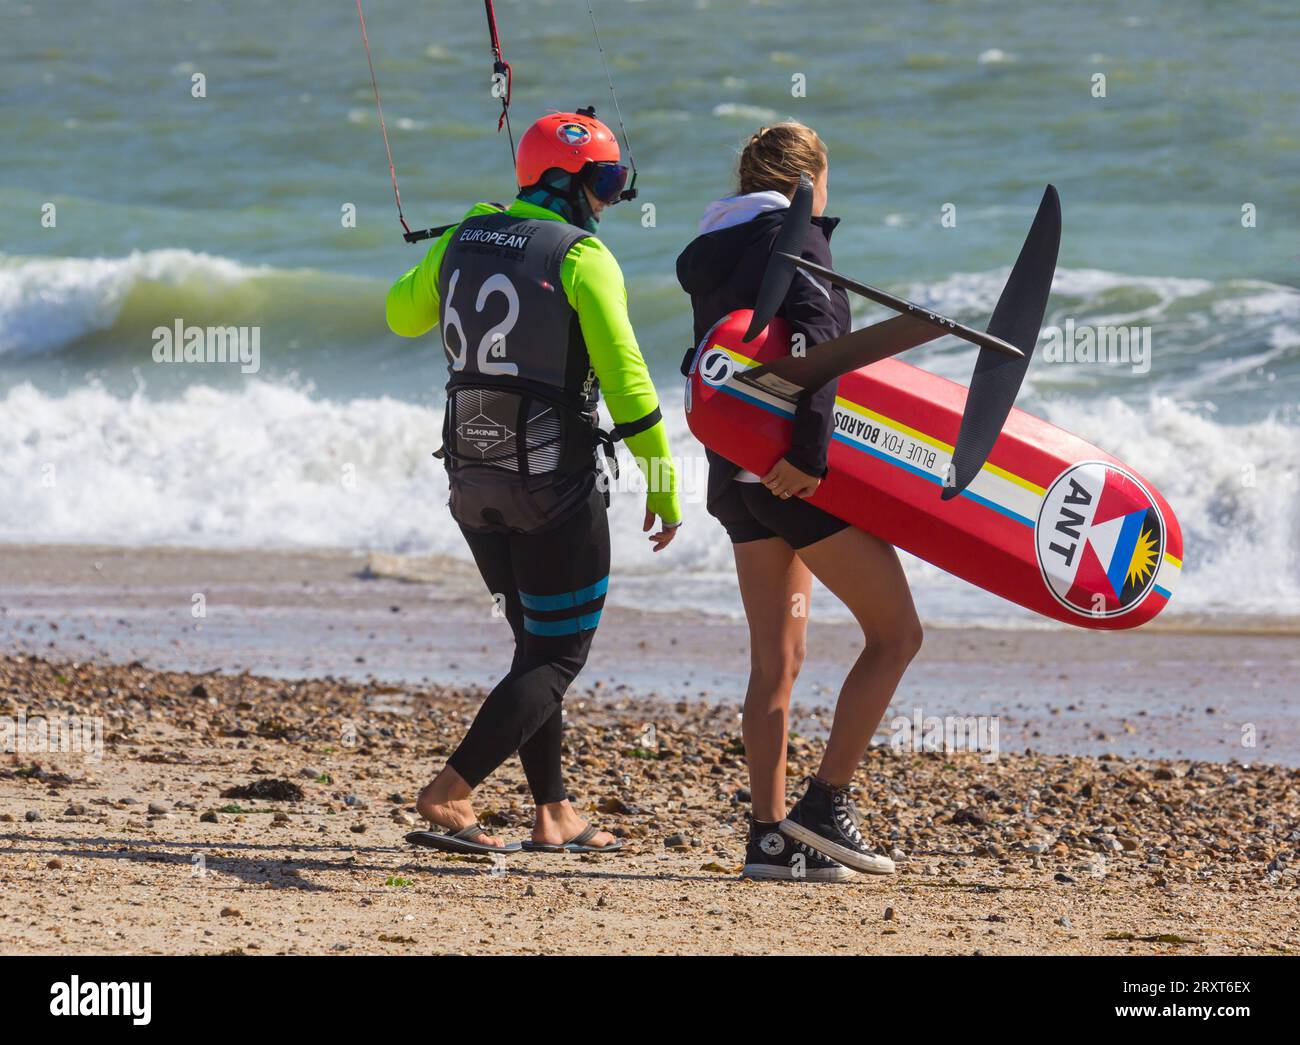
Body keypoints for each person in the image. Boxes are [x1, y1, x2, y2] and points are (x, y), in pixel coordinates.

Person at [386, 107, 681, 855]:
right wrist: (664, 484)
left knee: (532, 645)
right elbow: (629, 381)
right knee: (557, 655)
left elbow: (400, 315)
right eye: (608, 182)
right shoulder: (583, 258)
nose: (611, 199)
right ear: (565, 181)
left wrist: (463, 245)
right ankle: (451, 790)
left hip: (470, 480)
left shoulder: (461, 239)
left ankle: (554, 812)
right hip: (551, 487)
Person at [676, 122, 922, 880]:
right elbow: (817, 342)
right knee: (896, 635)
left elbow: (730, 363)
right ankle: (825, 803)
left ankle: (770, 838)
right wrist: (808, 461)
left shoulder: (715, 254)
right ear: (808, 181)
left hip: (737, 480)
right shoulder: (797, 238)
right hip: (790, 481)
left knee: (775, 662)